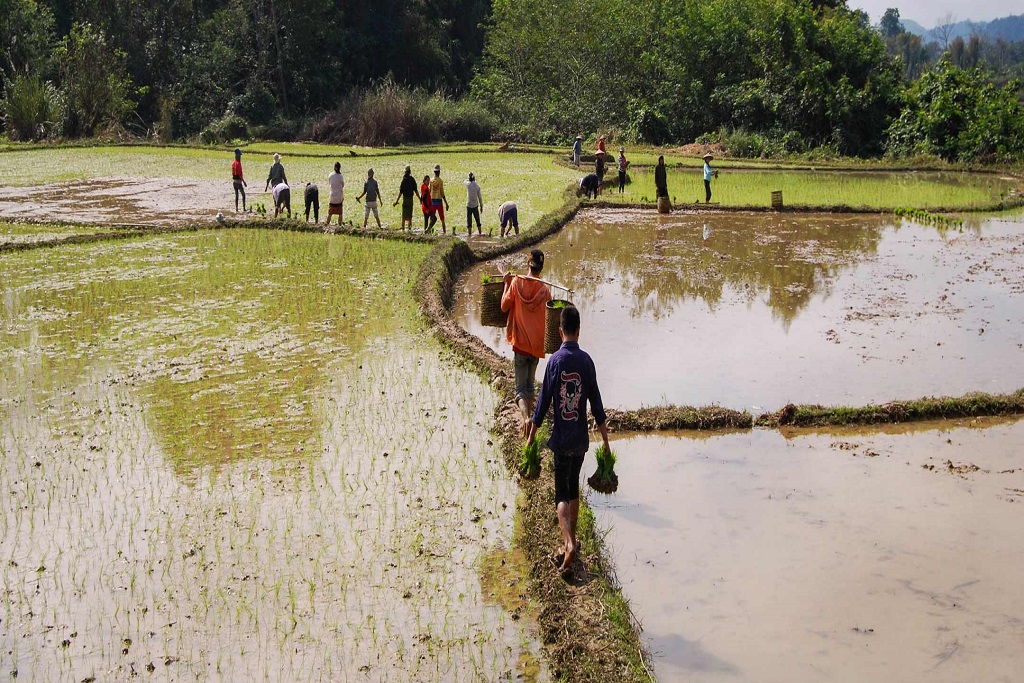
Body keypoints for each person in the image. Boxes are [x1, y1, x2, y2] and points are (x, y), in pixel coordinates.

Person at [526, 304, 610, 577]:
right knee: (573, 488)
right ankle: (572, 538)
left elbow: (542, 404)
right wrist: (606, 443)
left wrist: (531, 437)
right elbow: (597, 405)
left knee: (561, 494)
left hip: (561, 440)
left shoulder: (554, 362)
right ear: (579, 331)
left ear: (560, 331)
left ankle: (568, 543)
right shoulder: (586, 362)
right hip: (580, 441)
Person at [501, 249, 552, 436]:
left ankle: (526, 419)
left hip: (520, 344)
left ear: (528, 264)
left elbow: (504, 306)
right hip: (536, 346)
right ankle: (529, 427)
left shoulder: (516, 282)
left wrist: (506, 284)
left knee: (520, 391)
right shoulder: (545, 291)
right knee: (530, 387)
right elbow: (550, 317)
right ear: (541, 268)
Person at [393, 166, 420, 231]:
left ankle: (403, 229)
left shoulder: (404, 180)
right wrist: (420, 199)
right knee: (410, 215)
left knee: (404, 216)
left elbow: (400, 192)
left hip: (405, 199)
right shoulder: (412, 179)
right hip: (410, 199)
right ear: (410, 172)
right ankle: (409, 229)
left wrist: (396, 201)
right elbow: (416, 191)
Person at [429, 164, 450, 233]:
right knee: (442, 219)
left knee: (432, 218)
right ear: (439, 172)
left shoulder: (431, 181)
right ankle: (444, 232)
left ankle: (429, 231)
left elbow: (429, 191)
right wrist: (446, 203)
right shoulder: (440, 181)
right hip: (439, 201)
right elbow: (442, 193)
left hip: (432, 201)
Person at [325, 162, 345, 227]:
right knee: (340, 213)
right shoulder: (340, 176)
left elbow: (330, 183)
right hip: (339, 197)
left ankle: (327, 224)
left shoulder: (330, 175)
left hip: (332, 197)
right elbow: (342, 185)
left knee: (330, 213)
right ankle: (340, 225)